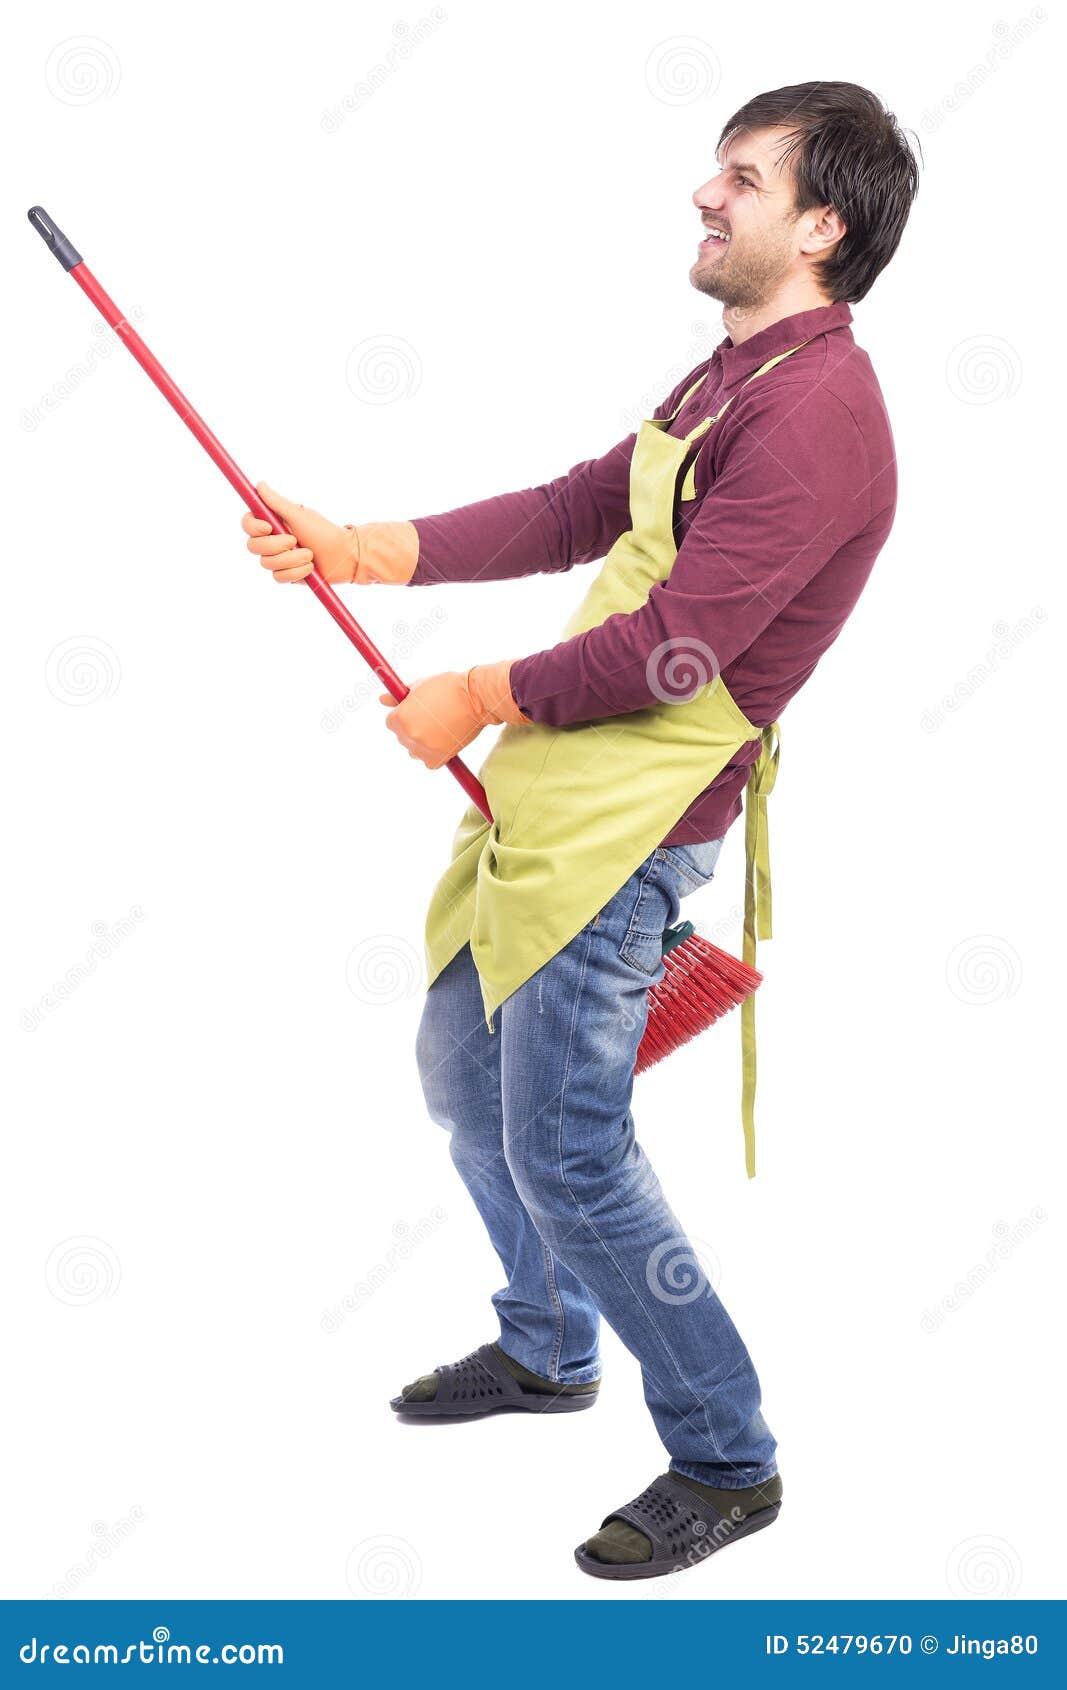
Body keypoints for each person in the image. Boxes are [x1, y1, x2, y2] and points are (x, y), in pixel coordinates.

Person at [242, 82, 919, 1581]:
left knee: (566, 1145)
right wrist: (363, 545)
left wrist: (474, 689)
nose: (704, 194)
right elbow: (579, 506)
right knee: (460, 1071)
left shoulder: (820, 414)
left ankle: (728, 1455)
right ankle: (550, 1346)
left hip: (634, 819)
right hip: (563, 791)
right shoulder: (731, 377)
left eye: (742, 178)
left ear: (823, 223)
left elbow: (674, 650)